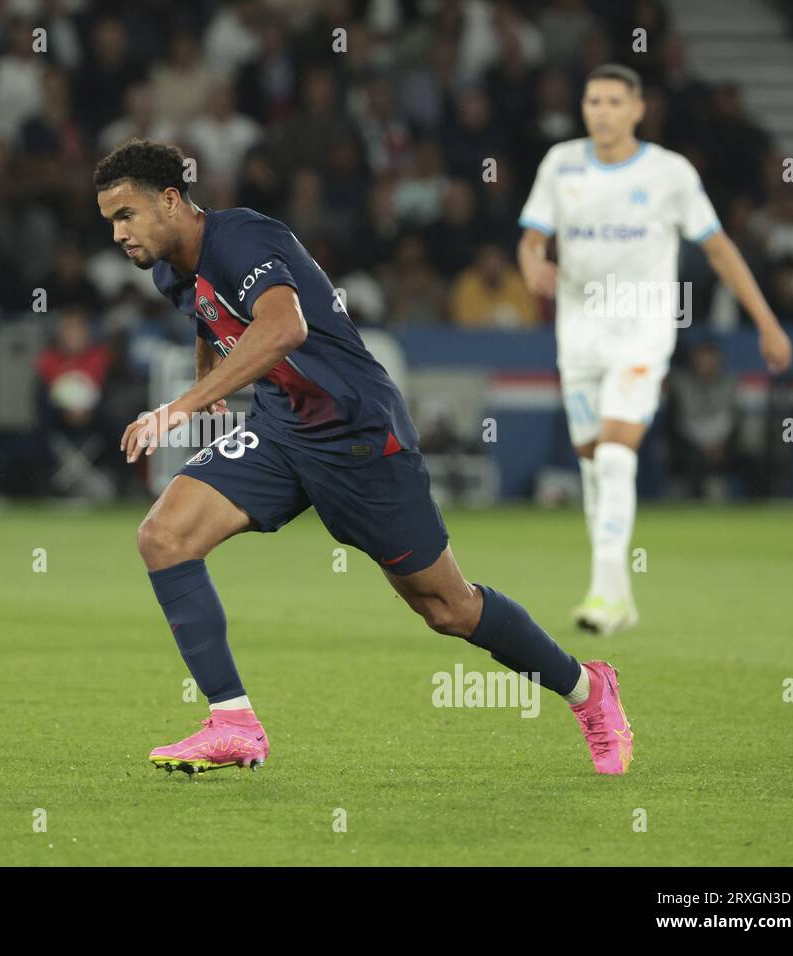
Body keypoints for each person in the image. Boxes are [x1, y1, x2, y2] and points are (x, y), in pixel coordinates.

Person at [95, 138, 633, 777]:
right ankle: (233, 722)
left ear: (171, 200)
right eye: (109, 223)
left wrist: (184, 405)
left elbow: (285, 327)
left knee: (447, 608)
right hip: (281, 430)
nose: (119, 233)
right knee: (164, 536)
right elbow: (208, 315)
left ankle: (587, 689)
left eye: (126, 215)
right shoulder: (167, 267)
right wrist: (208, 368)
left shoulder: (242, 238)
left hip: (358, 435)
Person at [516, 64, 791, 635]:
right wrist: (531, 265)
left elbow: (719, 250)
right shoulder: (560, 164)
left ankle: (602, 593)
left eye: (615, 101)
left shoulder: (670, 173)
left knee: (616, 456)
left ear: (638, 109)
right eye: (593, 100)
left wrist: (766, 321)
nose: (602, 111)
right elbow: (533, 238)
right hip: (580, 335)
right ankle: (620, 597)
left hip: (641, 331)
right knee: (594, 462)